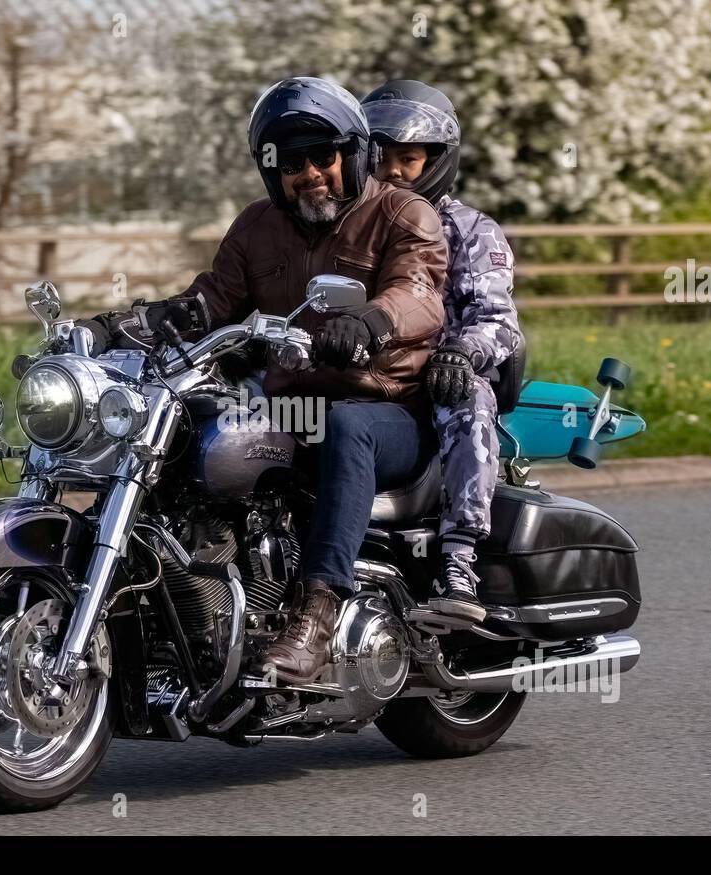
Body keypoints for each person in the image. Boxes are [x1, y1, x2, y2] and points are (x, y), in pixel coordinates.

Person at [82, 76, 448, 683]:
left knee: (346, 425)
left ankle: (318, 614)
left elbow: (420, 294)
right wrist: (113, 328)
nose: (308, 173)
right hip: (292, 409)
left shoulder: (402, 213)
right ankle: (188, 606)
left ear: (352, 154)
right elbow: (209, 301)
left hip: (390, 410)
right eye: (289, 162)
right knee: (193, 433)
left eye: (321, 156)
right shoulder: (256, 227)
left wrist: (372, 320)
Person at [362, 80, 524, 621]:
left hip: (438, 378)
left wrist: (457, 354)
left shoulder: (471, 230)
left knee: (467, 396)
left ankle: (459, 561)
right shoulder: (350, 227)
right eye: (381, 158)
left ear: (436, 159)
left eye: (407, 159)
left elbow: (499, 325)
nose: (393, 171)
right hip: (364, 376)